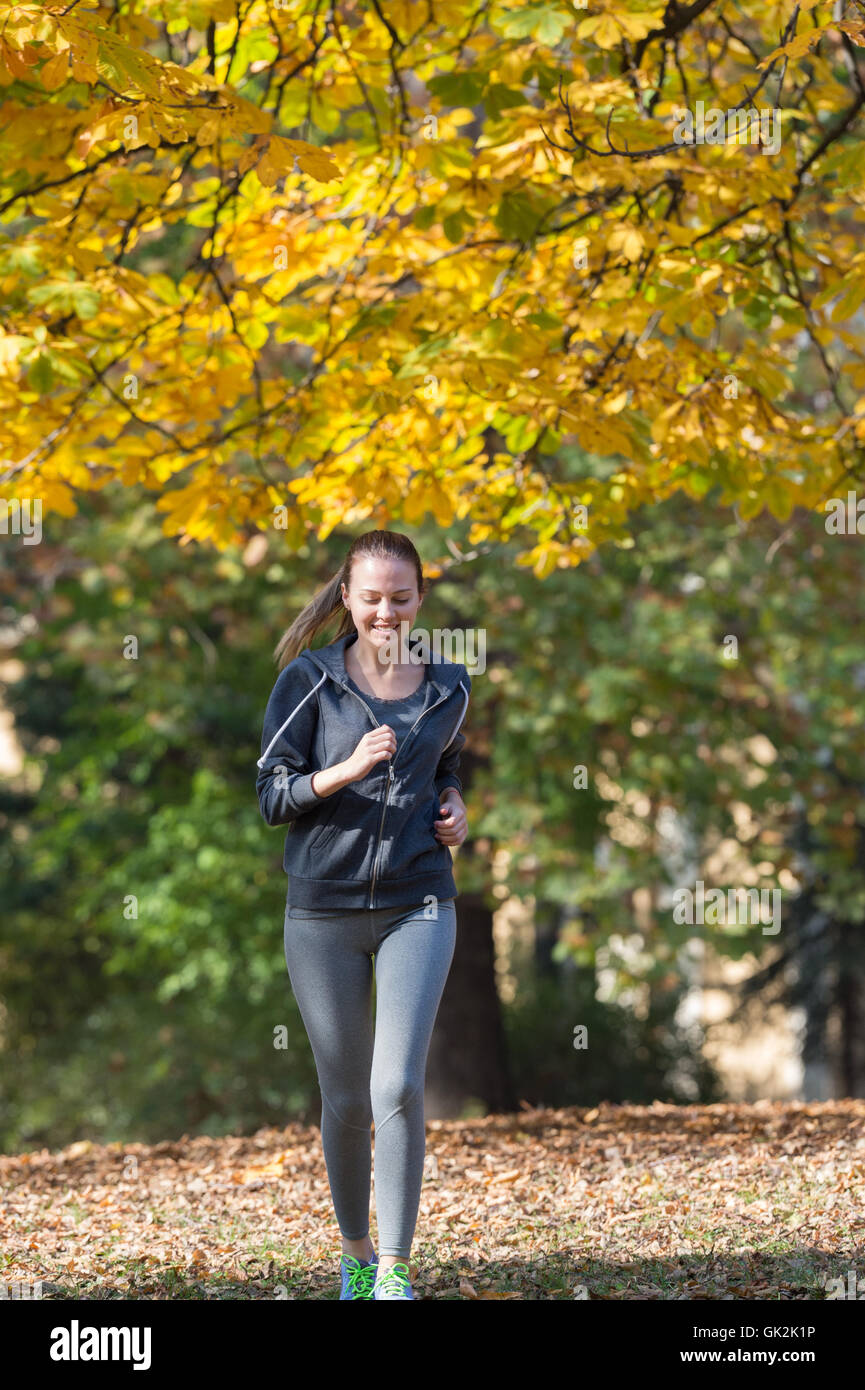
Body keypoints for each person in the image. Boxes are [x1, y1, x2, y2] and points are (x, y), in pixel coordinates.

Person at [256, 530, 472, 1300]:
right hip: (322, 912)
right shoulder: (308, 682)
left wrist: (454, 807)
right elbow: (271, 795)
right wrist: (342, 772)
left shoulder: (448, 684)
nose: (387, 613)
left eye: (402, 598)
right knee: (347, 1099)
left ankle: (393, 1271)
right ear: (346, 598)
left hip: (418, 900)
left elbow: (445, 768)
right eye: (372, 598)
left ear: (421, 599)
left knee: (396, 1088)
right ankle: (354, 1254)